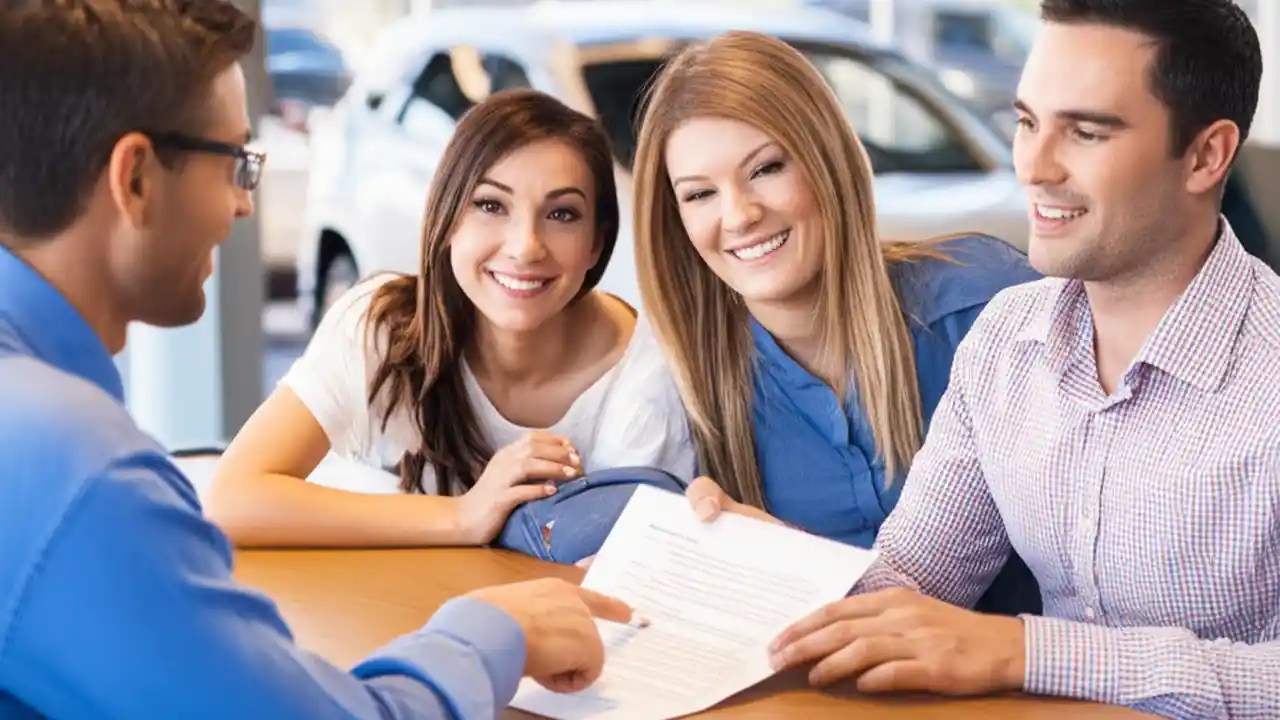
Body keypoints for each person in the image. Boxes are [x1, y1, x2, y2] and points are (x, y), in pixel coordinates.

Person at [0, 2, 635, 717]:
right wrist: (497, 631)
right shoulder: (81, 471)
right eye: (237, 161)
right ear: (137, 178)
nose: (246, 206)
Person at [696, 2, 1280, 718]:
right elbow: (912, 581)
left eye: (1087, 131)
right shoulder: (1008, 339)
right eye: (1028, 122)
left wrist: (1023, 650)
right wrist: (771, 567)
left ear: (1206, 155)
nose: (1033, 167)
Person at [631, 31, 1042, 614]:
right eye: (700, 195)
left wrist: (782, 561)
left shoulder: (986, 309)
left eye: (767, 168)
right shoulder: (693, 381)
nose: (740, 215)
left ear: (829, 159)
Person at [206, 89, 695, 550]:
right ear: (448, 221)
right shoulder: (383, 328)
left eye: (562, 214)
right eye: (490, 205)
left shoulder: (648, 378)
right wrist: (463, 516)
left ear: (596, 241)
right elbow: (233, 499)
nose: (525, 246)